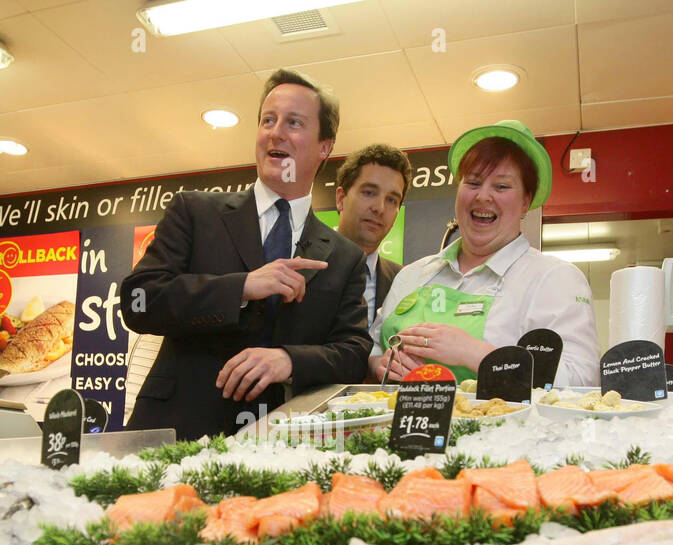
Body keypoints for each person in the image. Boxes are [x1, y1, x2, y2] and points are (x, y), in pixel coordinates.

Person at [122, 69, 371, 440]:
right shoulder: (194, 211)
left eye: (294, 123)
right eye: (268, 120)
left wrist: (289, 360)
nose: (276, 132)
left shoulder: (344, 256)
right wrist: (241, 287)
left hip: (280, 447)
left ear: (324, 146)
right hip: (175, 434)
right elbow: (138, 301)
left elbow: (352, 353)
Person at [368, 120, 599, 387]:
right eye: (473, 182)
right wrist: (380, 363)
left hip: (499, 428)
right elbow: (373, 347)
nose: (483, 196)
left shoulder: (555, 279)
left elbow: (582, 379)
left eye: (501, 187)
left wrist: (476, 354)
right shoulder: (412, 275)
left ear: (526, 201)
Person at [333, 144, 411, 333]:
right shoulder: (301, 262)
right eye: (369, 193)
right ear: (341, 198)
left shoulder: (405, 282)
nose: (380, 208)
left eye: (392, 200)